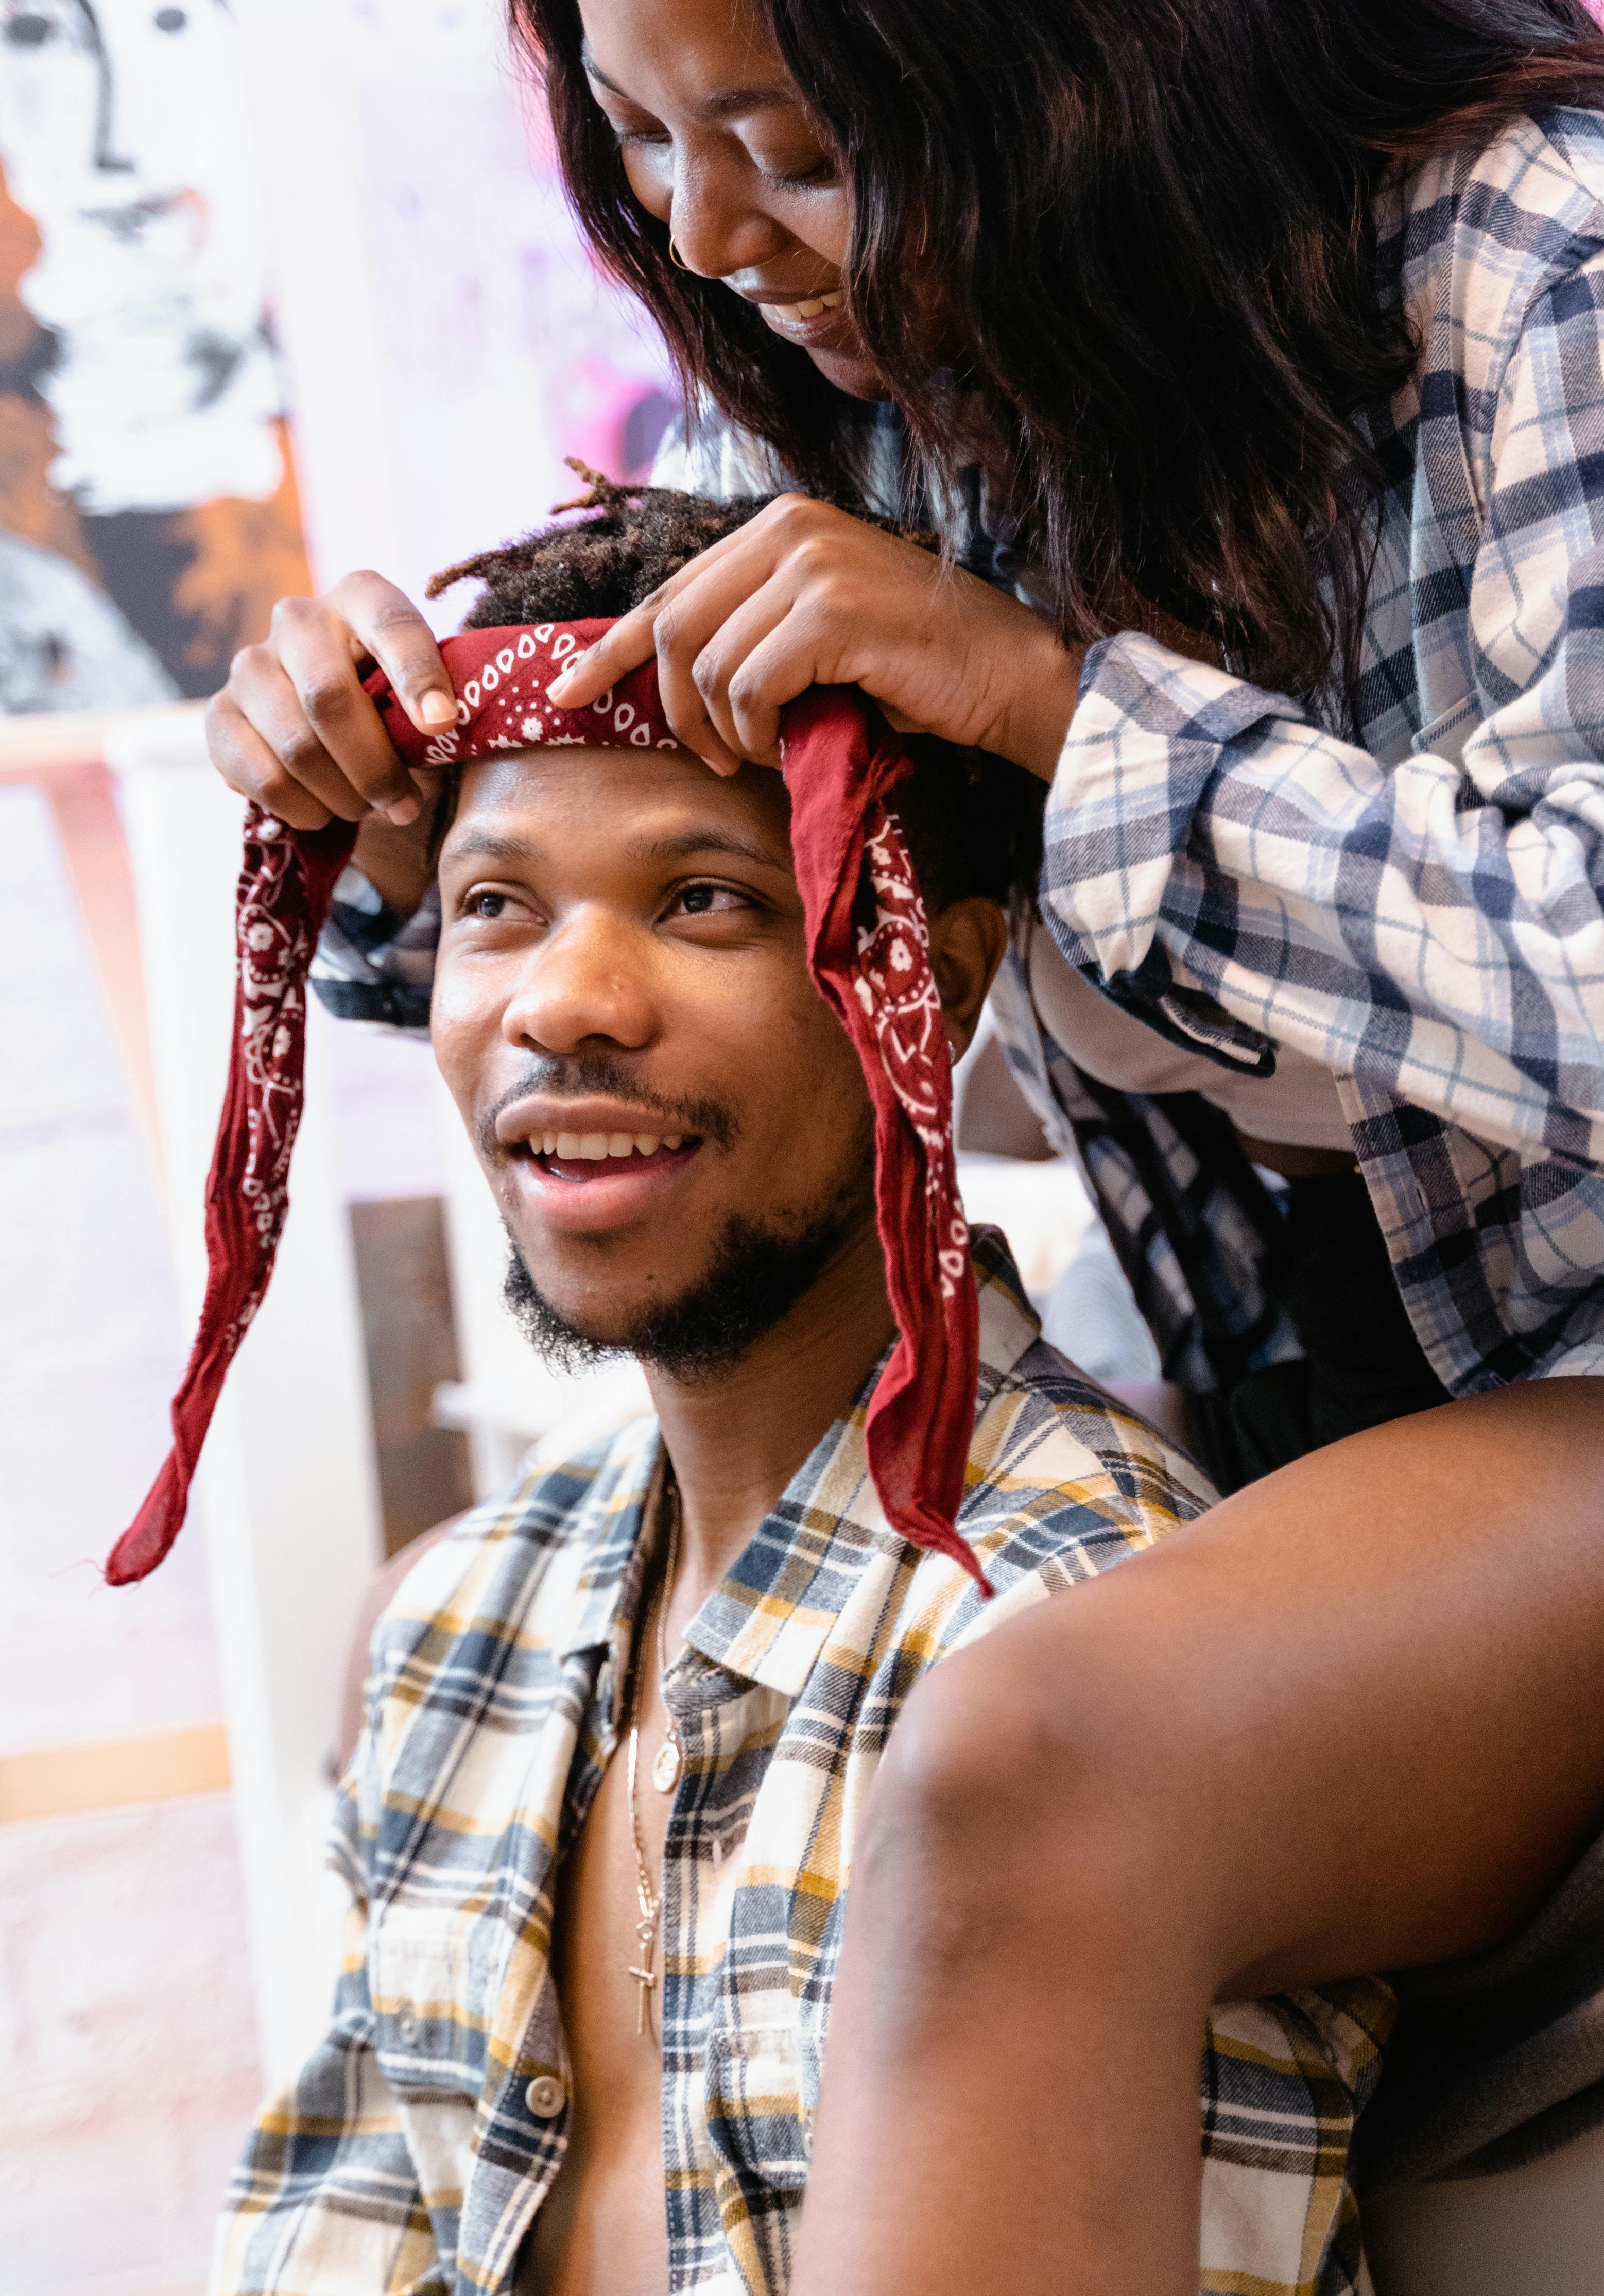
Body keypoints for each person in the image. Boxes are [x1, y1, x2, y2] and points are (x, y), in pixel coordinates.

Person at [204, 0, 1604, 2291]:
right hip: (1272, 1416)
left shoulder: (1525, 249)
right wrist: (390, 807)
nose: (718, 247)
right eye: (643, 144)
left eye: (787, 138)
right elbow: (898, 984)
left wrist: (1049, 707)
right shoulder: (909, 389)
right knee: (598, 1686)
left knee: (1022, 1758)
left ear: (1064, 43)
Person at [210, 479, 1391, 2296]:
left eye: (705, 900)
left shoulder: (1087, 1650)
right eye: (497, 907)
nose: (568, 1000)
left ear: (942, 980)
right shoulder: (460, 1631)